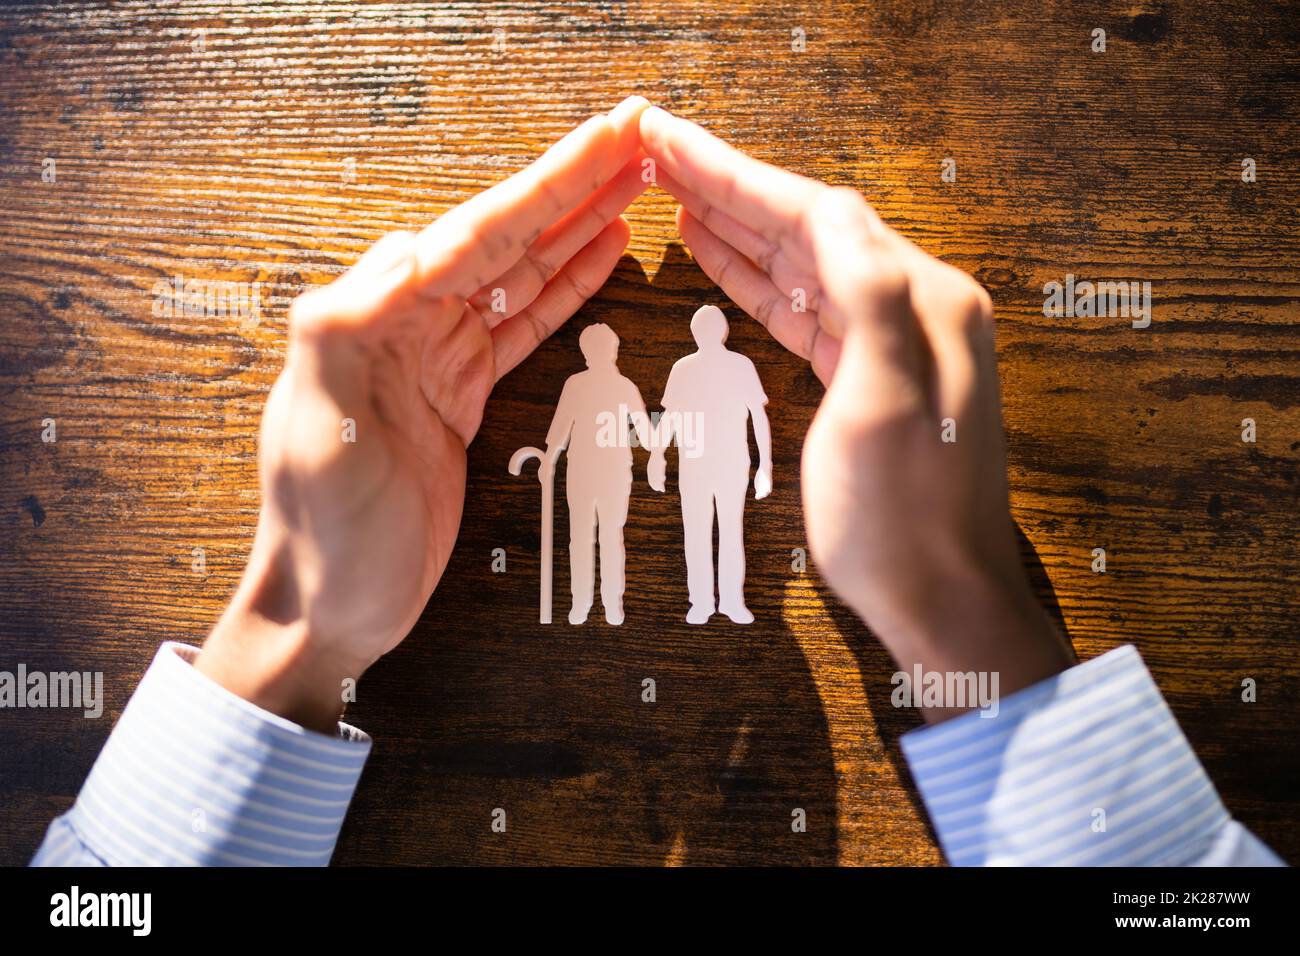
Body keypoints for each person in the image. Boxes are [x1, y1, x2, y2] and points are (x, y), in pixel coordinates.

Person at [30, 97, 1283, 866]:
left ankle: (710, 596)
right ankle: (617, 596)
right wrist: (969, 619)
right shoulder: (630, 381)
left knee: (715, 565)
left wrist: (294, 637)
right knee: (628, 560)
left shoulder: (682, 380)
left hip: (687, 477)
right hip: (634, 482)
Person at [649, 305, 772, 624]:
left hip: (725, 463)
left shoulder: (735, 365)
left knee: (716, 532)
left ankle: (724, 601)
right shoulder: (686, 368)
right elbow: (671, 418)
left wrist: (765, 466)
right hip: (703, 464)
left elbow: (759, 416)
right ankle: (706, 602)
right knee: (715, 532)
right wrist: (656, 455)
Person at [542, 323, 652, 625]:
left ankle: (611, 603)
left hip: (613, 471)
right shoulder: (578, 385)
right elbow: (562, 425)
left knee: (604, 536)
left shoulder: (624, 387)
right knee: (586, 537)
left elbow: (644, 432)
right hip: (584, 470)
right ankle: (582, 603)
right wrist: (548, 460)